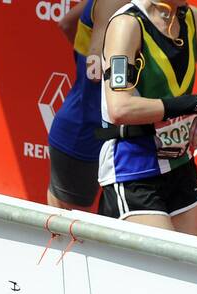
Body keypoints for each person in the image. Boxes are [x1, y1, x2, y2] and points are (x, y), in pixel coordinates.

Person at [97, 1, 197, 234]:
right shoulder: (127, 25)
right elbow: (119, 108)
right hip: (133, 167)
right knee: (158, 264)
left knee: (188, 263)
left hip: (180, 163)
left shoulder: (191, 18)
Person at [46, 0, 122, 210]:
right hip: (84, 131)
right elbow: (94, 68)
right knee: (68, 237)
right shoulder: (115, 2)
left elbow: (67, 23)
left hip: (112, 134)